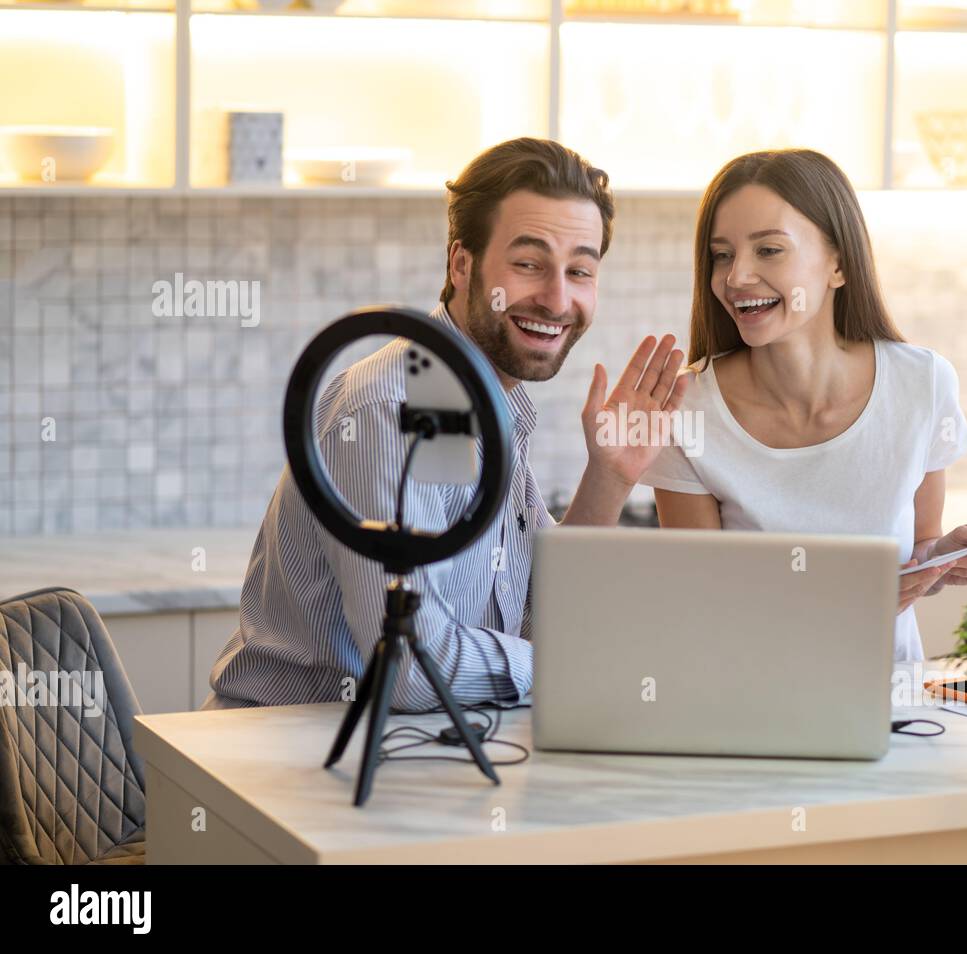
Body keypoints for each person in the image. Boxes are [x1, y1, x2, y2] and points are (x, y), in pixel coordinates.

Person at [204, 138, 687, 710]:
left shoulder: (484, 402)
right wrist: (578, 661)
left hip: (412, 748)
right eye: (529, 264)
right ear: (462, 264)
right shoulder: (400, 408)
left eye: (579, 270)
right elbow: (411, 670)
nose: (558, 299)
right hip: (285, 757)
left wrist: (609, 476)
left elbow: (537, 610)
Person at [639, 149, 967, 663]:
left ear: (838, 263)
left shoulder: (921, 385)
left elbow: (920, 547)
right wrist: (847, 602)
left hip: (889, 707)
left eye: (768, 250)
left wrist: (944, 559)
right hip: (745, 704)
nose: (736, 276)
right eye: (722, 255)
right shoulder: (687, 408)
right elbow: (702, 601)